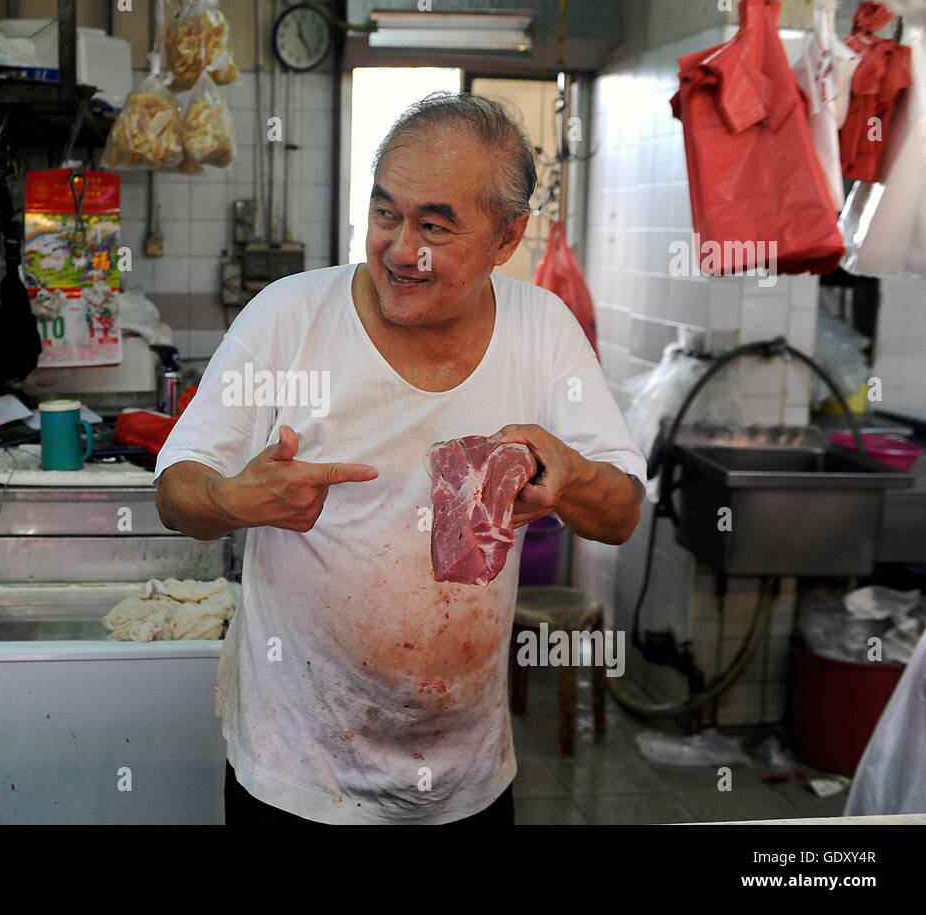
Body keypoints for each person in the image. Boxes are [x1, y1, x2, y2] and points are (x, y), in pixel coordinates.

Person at [154, 92, 646, 825]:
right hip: (298, 776)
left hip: (465, 781)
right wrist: (233, 499)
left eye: (434, 226)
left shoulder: (542, 330)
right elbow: (175, 488)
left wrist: (569, 475)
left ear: (507, 238)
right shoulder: (289, 318)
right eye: (385, 213)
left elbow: (622, 513)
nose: (398, 247)